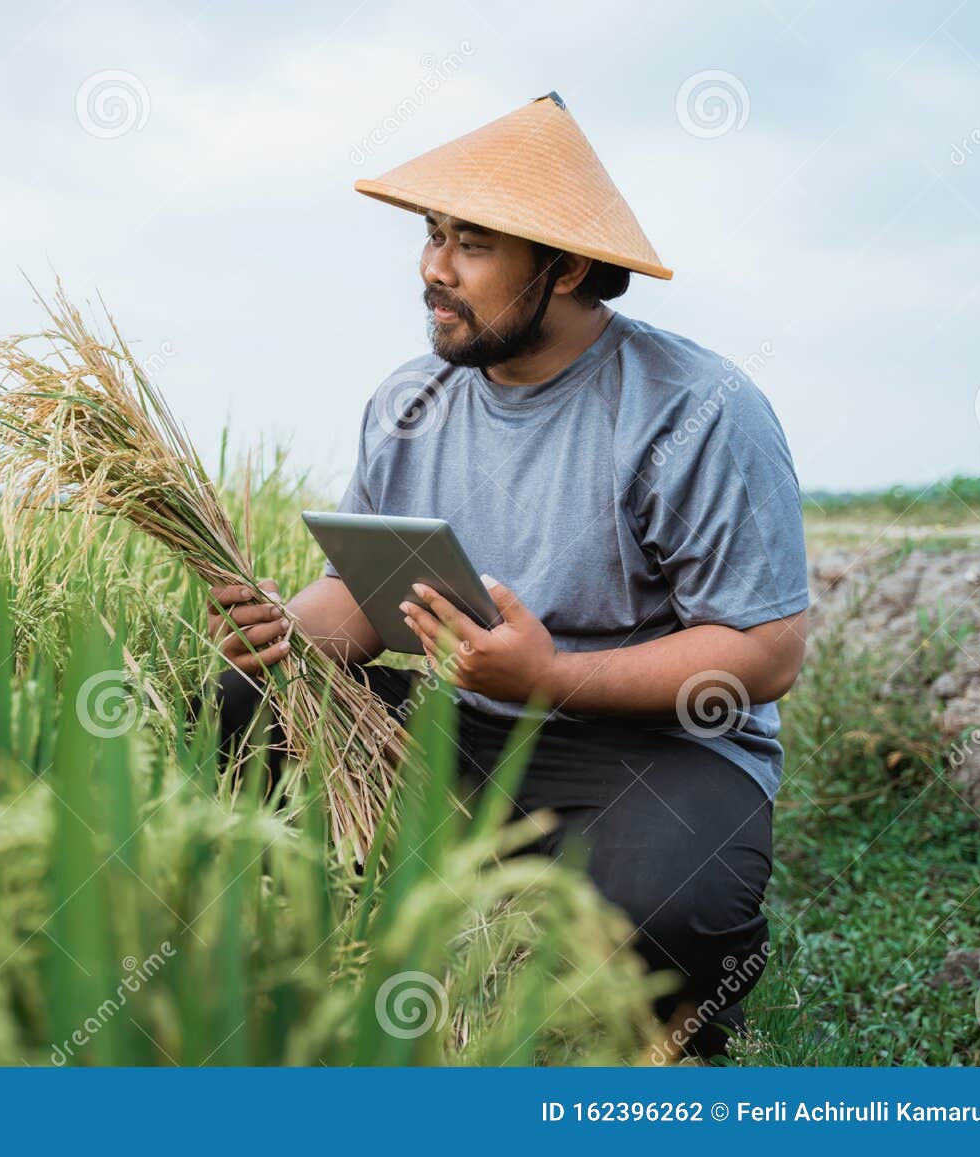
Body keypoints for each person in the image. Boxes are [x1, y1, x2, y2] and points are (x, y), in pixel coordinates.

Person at [205, 93, 810, 1060]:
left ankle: (667, 1005)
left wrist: (553, 677)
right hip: (467, 725)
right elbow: (366, 596)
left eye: (471, 245)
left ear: (565, 266)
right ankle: (384, 927)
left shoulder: (695, 409)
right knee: (249, 693)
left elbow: (767, 650)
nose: (432, 269)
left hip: (648, 748)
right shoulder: (410, 399)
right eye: (434, 235)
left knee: (668, 910)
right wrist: (287, 627)